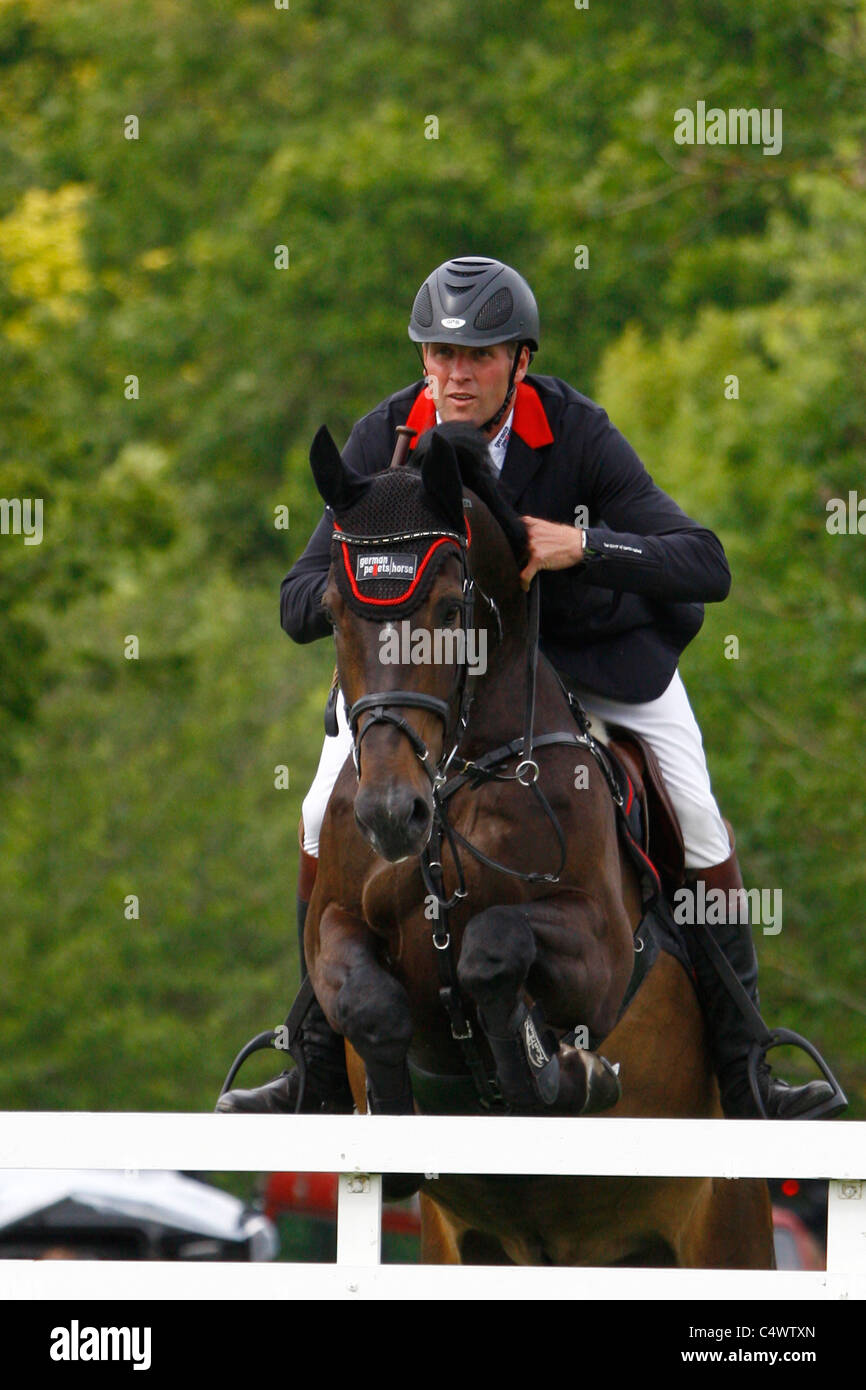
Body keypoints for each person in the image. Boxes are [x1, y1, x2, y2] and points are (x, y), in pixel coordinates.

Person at [218, 256, 841, 1121]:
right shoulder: (386, 439)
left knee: (696, 816)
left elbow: (706, 563)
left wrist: (584, 546)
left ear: (520, 360)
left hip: (592, 662)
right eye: (438, 354)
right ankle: (315, 1067)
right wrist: (362, 581)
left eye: (477, 356)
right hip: (430, 679)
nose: (454, 374)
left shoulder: (576, 431)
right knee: (316, 810)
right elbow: (297, 601)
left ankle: (748, 1070)